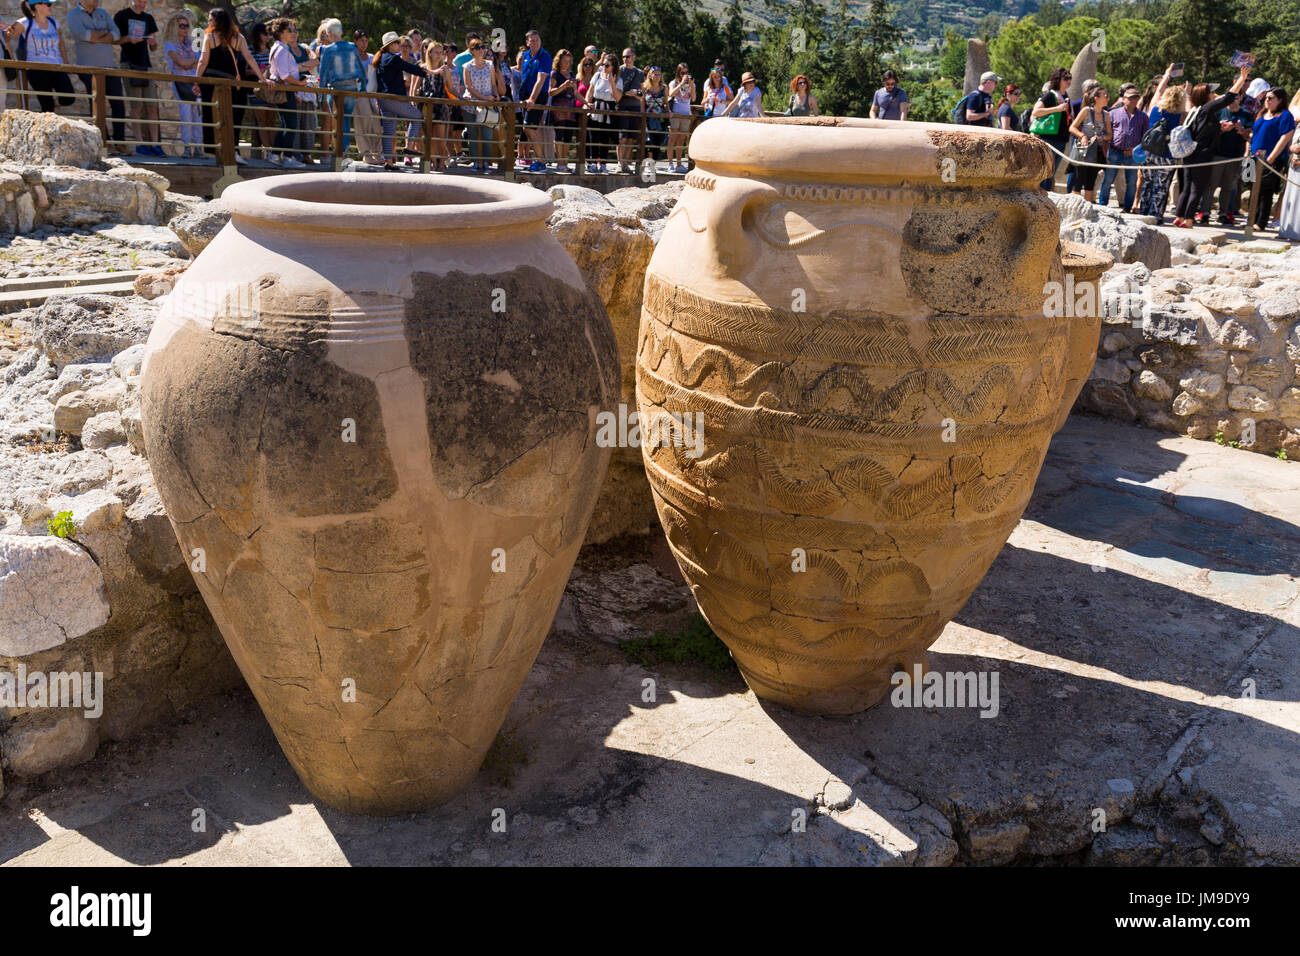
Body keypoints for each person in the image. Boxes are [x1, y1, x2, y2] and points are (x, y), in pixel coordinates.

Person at [1170, 64, 1252, 227]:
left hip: (1189, 154)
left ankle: (1179, 216)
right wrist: (1242, 80)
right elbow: (1229, 97)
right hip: (1202, 155)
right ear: (1206, 96)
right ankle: (1188, 219)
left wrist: (1218, 128)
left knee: (1186, 187)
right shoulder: (1207, 108)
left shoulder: (1194, 110)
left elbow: (1201, 130)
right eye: (1211, 92)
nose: (1214, 94)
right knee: (1196, 188)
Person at [194, 8, 260, 163]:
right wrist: (262, 78)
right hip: (230, 82)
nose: (208, 22)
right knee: (230, 117)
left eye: (210, 19)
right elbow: (249, 58)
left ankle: (217, 150)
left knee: (212, 115)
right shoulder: (239, 38)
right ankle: (231, 151)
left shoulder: (209, 36)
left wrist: (196, 80)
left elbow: (203, 61)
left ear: (216, 21)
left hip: (210, 81)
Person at [67, 0, 127, 153]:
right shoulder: (73, 15)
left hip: (110, 67)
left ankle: (120, 142)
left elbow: (116, 33)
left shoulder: (103, 13)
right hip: (88, 68)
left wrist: (97, 37)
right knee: (96, 103)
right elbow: (83, 35)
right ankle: (105, 144)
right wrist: (103, 34)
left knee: (118, 104)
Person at [4, 2, 75, 114]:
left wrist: (66, 63)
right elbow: (6, 37)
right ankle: (46, 128)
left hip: (57, 66)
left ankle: (50, 107)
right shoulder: (25, 22)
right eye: (48, 4)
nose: (51, 7)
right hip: (36, 69)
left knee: (69, 98)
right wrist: (12, 60)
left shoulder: (54, 22)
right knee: (47, 105)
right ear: (37, 6)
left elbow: (61, 44)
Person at [372, 30, 426, 169]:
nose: (399, 44)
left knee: (389, 131)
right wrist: (427, 72)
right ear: (390, 45)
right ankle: (409, 146)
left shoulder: (381, 58)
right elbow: (409, 67)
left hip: (383, 100)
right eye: (397, 42)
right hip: (394, 99)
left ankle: (389, 163)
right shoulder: (393, 58)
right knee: (417, 117)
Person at [114, 0, 160, 155]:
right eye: (140, 0)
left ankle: (155, 145)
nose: (142, 3)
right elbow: (113, 39)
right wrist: (128, 39)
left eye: (145, 1)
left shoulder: (149, 18)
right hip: (128, 64)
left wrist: (153, 43)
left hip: (146, 65)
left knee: (152, 107)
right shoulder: (122, 16)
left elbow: (154, 48)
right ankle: (140, 145)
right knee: (136, 107)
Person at [1138, 68, 1185, 224]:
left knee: (1148, 183)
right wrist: (1187, 92)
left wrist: (1167, 74)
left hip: (1150, 152)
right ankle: (1156, 215)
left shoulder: (1155, 108)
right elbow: (1192, 108)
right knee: (1161, 186)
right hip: (1167, 155)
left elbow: (1158, 90)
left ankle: (1144, 212)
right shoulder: (1180, 115)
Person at [317, 18, 364, 159]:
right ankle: (344, 150)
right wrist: (361, 89)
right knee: (346, 121)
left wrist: (320, 96)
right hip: (351, 89)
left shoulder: (327, 50)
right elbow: (361, 71)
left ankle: (339, 153)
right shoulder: (352, 47)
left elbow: (323, 75)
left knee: (337, 121)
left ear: (329, 33)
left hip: (336, 90)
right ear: (341, 31)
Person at [1202, 93, 1252, 224]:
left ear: (1240, 98)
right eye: (1229, 98)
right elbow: (1209, 132)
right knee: (1211, 185)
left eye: (1235, 98)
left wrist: (1241, 130)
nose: (1232, 101)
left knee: (1228, 186)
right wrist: (1222, 129)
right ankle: (1205, 213)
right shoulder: (1219, 112)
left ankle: (1223, 213)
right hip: (1217, 154)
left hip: (1235, 156)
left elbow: (1249, 136)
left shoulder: (1246, 114)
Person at [264, 18, 308, 167]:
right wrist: (301, 83)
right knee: (291, 124)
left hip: (286, 90)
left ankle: (276, 155)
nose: (293, 33)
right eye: (290, 30)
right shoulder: (282, 49)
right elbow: (285, 76)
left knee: (286, 123)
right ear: (282, 33)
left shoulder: (278, 47)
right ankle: (288, 157)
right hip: (285, 90)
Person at [1098, 87, 1149, 212]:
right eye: (1130, 98)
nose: (1133, 100)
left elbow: (1145, 137)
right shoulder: (1113, 114)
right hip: (1115, 151)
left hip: (1133, 154)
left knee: (1131, 183)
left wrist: (1137, 150)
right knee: (1108, 179)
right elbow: (1106, 134)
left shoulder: (1143, 117)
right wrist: (1106, 153)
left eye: (1136, 97)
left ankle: (1127, 208)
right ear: (1124, 99)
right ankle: (1102, 206)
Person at [1251, 86, 1295, 231]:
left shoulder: (1285, 115)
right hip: (1253, 157)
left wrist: (1272, 157)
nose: (1267, 101)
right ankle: (1252, 218)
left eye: (1270, 98)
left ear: (1280, 100)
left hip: (1270, 159)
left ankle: (1261, 221)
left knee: (1265, 191)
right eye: (1266, 98)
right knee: (1253, 188)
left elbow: (1286, 136)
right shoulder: (1263, 113)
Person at [461, 36, 501, 173]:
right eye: (477, 47)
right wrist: (484, 98)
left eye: (482, 47)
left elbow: (493, 84)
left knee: (487, 136)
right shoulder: (467, 67)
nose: (481, 50)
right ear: (471, 51)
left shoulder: (490, 65)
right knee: (472, 135)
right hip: (471, 106)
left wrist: (495, 96)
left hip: (487, 106)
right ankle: (475, 162)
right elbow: (469, 87)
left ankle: (485, 162)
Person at [163, 14, 200, 157]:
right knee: (186, 115)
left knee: (198, 115)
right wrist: (191, 61)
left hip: (196, 81)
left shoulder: (192, 43)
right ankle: (186, 147)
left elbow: (198, 61)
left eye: (187, 25)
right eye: (182, 25)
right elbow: (182, 63)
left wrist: (189, 62)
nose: (185, 28)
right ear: (174, 27)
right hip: (181, 83)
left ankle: (198, 148)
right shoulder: (169, 44)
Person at [1067, 84, 1111, 202]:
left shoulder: (1106, 115)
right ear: (1096, 98)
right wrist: (1083, 136)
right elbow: (1072, 127)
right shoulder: (1086, 111)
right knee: (1078, 181)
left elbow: (1109, 135)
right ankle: (1073, 209)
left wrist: (1100, 138)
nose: (1108, 98)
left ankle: (1088, 210)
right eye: (1105, 96)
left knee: (1090, 183)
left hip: (1096, 152)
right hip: (1083, 151)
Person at [1031, 67, 1072, 191]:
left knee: (1051, 174)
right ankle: (1041, 200)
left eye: (1070, 78)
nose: (1069, 81)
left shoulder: (1065, 95)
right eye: (1066, 78)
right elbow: (1036, 111)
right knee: (1045, 174)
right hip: (1049, 140)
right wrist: (1056, 109)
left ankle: (1046, 200)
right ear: (1058, 80)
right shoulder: (1051, 95)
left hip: (1061, 140)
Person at [519, 30, 553, 171]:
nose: (534, 43)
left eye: (537, 40)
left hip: (538, 96)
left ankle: (541, 161)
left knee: (529, 128)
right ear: (527, 43)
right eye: (531, 41)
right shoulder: (526, 55)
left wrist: (532, 99)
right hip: (525, 95)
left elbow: (541, 80)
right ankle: (539, 160)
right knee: (529, 128)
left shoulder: (545, 57)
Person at [418, 40, 454, 170]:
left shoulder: (445, 70)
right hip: (426, 106)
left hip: (440, 105)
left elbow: (451, 88)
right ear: (430, 53)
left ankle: (442, 161)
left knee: (441, 137)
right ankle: (433, 161)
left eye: (441, 52)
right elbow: (417, 87)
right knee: (429, 136)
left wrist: (461, 98)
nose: (439, 55)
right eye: (436, 52)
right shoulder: (422, 67)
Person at [586, 52, 621, 172]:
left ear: (613, 67)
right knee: (593, 136)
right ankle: (592, 163)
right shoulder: (597, 75)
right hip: (595, 107)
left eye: (607, 65)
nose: (604, 67)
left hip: (608, 109)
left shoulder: (618, 79)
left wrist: (611, 82)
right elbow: (590, 92)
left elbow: (617, 98)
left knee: (605, 137)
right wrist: (587, 103)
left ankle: (603, 164)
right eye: (604, 64)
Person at [612, 46, 643, 173]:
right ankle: (620, 163)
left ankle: (626, 163)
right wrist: (626, 93)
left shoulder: (639, 73)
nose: (625, 59)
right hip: (622, 106)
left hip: (635, 107)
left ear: (634, 57)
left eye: (628, 56)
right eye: (623, 56)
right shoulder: (619, 71)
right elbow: (614, 89)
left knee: (631, 137)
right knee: (622, 137)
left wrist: (637, 93)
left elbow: (643, 91)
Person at [1276, 91, 1300, 240]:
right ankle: (1287, 230)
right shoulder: (1294, 110)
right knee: (1291, 192)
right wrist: (1291, 147)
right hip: (1295, 158)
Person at [549, 48, 578, 172]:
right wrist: (563, 86)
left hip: (570, 110)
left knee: (567, 137)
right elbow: (551, 92)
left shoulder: (571, 74)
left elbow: (576, 93)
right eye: (564, 61)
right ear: (559, 61)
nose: (566, 63)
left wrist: (587, 103)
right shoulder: (554, 74)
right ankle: (560, 162)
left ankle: (564, 162)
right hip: (558, 110)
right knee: (559, 135)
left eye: (568, 61)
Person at [666, 64, 693, 171]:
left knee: (681, 140)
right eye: (682, 73)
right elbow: (671, 94)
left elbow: (694, 98)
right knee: (672, 139)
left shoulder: (690, 83)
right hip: (676, 113)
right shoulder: (673, 82)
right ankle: (670, 164)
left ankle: (679, 164)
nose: (685, 75)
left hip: (686, 114)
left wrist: (692, 85)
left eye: (686, 73)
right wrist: (681, 83)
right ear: (678, 73)